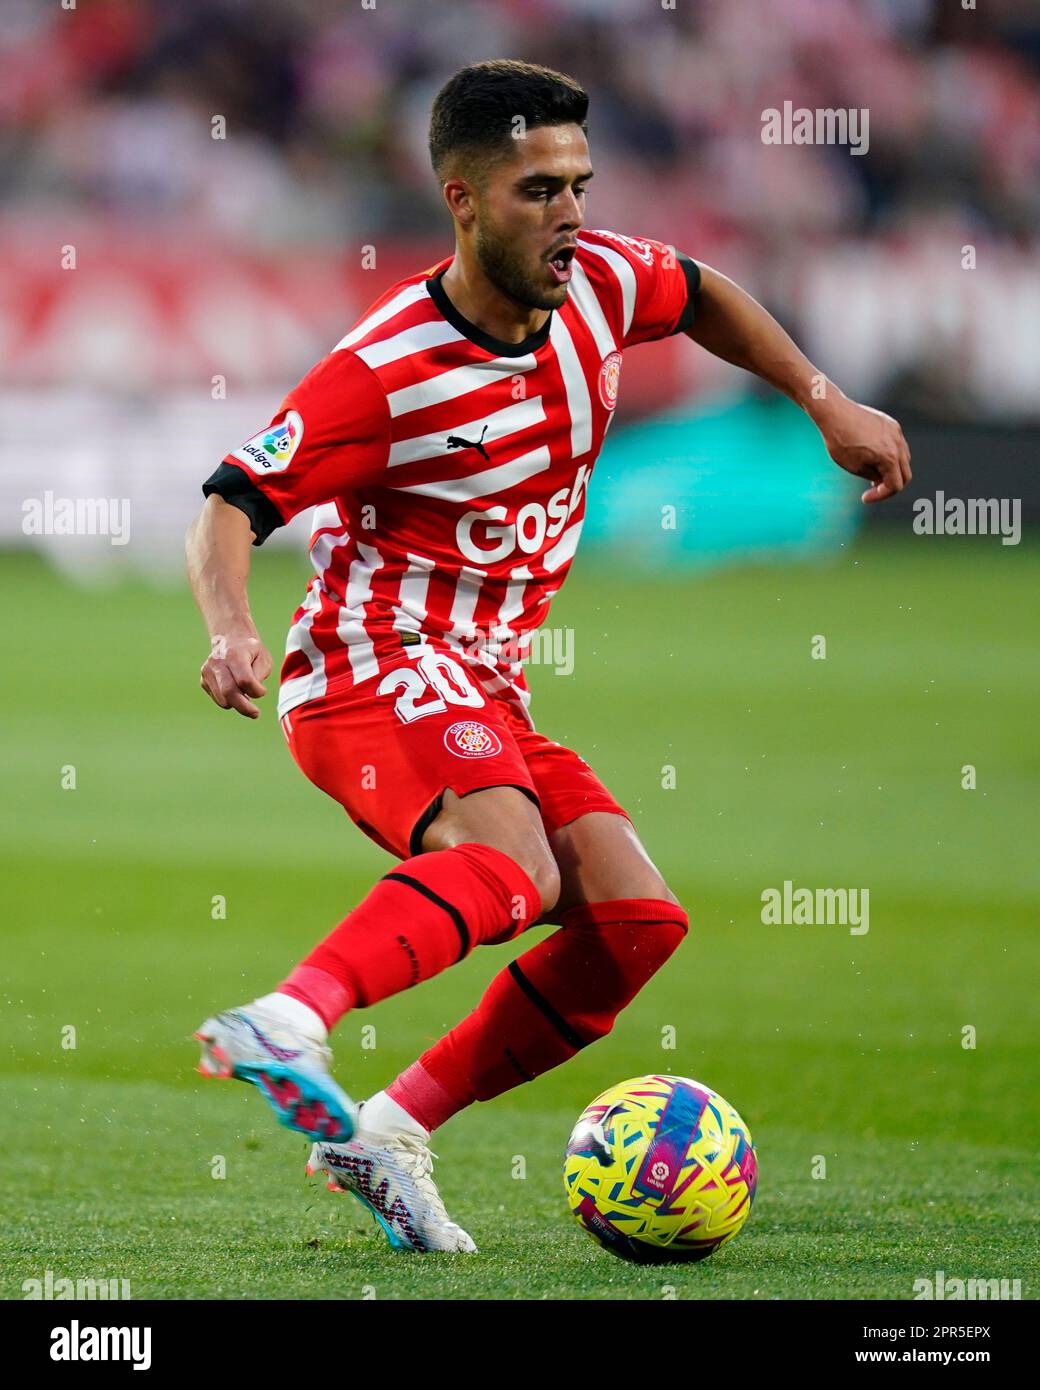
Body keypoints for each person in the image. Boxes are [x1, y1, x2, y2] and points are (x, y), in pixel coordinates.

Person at [185, 59, 910, 1253]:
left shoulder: (602, 282)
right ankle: (288, 1017)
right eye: (537, 190)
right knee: (512, 866)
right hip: (369, 662)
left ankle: (386, 1131)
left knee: (632, 921)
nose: (569, 212)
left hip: (483, 681)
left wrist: (818, 397)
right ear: (463, 201)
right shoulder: (382, 370)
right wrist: (229, 627)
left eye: (578, 182)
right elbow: (228, 501)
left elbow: (700, 290)